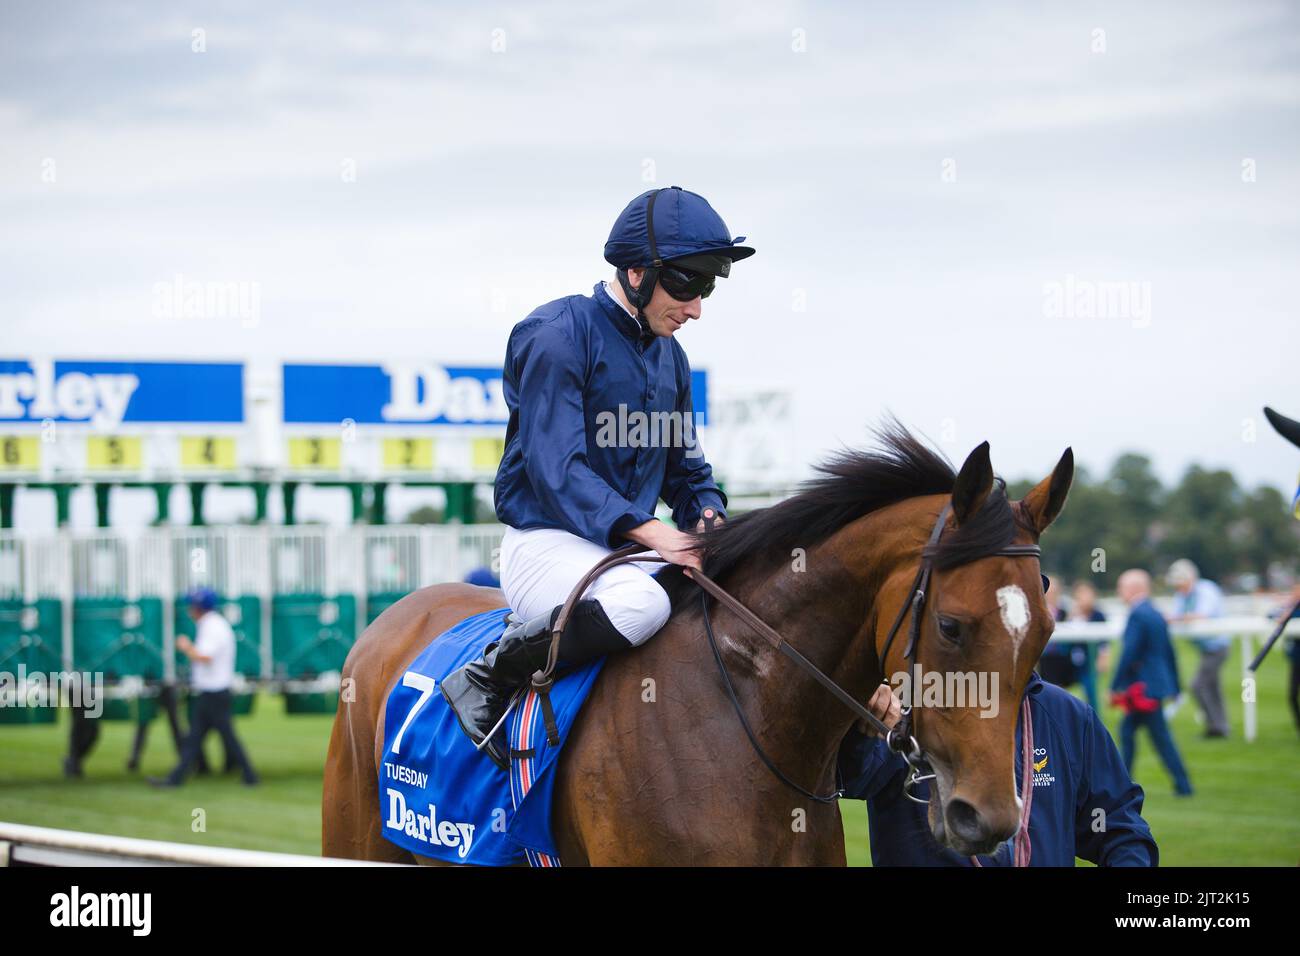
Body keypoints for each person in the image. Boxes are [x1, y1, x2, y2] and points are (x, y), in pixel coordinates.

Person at [441, 186, 754, 768]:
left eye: (708, 288)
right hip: (546, 545)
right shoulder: (556, 334)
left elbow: (687, 472)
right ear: (636, 272)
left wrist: (708, 519)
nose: (696, 308)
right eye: (687, 286)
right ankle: (489, 674)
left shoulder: (672, 358)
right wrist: (657, 534)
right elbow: (557, 470)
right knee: (644, 604)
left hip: (626, 552)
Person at [838, 677, 1158, 866]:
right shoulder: (904, 707)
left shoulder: (1067, 715)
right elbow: (852, 779)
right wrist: (860, 730)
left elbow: (1116, 827)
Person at [148, 588, 258, 787]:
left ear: (198, 607)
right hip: (212, 691)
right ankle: (176, 778)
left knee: (217, 737)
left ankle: (249, 776)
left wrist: (186, 646)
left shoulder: (212, 626)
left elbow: (205, 656)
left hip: (214, 692)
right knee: (197, 738)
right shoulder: (212, 624)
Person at [1111, 569, 1192, 796]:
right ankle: (1125, 784)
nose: (1119, 592)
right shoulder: (1156, 613)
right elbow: (1169, 652)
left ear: (1133, 588)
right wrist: (1175, 685)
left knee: (1153, 737)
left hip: (1143, 688)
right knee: (1134, 733)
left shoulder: (1138, 614)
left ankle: (1124, 785)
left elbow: (1129, 653)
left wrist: (1114, 685)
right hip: (1154, 685)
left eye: (1121, 587)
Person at [1167, 558, 1230, 738]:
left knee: (1198, 685)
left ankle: (1215, 727)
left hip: (1218, 646)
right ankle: (1220, 727)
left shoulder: (1206, 589)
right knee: (1212, 688)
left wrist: (1179, 618)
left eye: (1181, 584)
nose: (1179, 588)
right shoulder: (1182, 595)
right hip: (1206, 648)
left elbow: (1201, 615)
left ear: (1190, 578)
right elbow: (1176, 615)